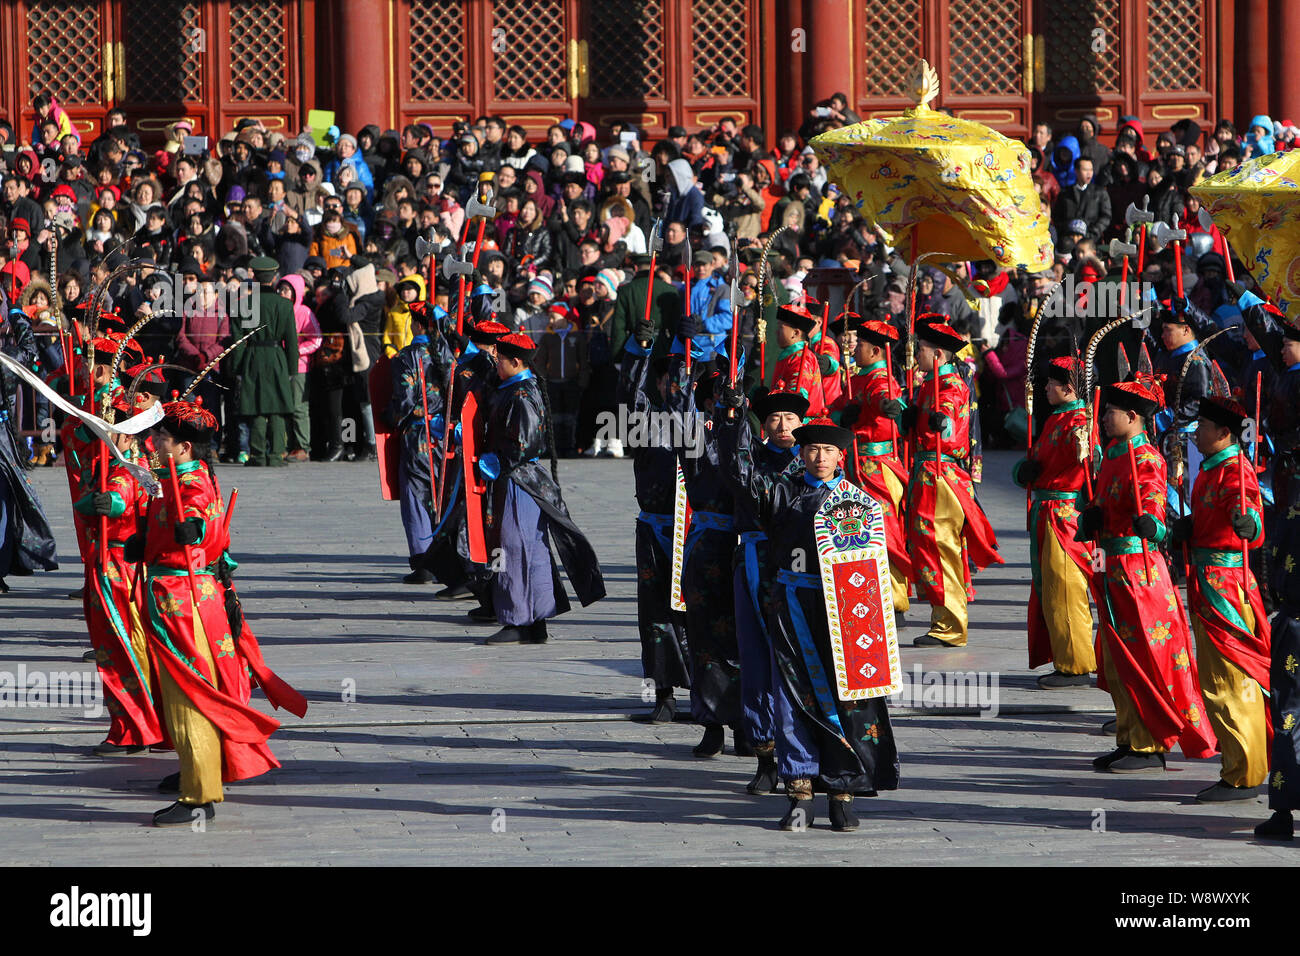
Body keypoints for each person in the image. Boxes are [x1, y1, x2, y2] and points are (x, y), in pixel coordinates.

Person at [719, 404, 900, 831]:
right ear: (801, 455)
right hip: (791, 610)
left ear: (842, 456)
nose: (820, 457)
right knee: (792, 702)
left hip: (845, 615)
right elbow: (740, 476)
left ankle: (842, 793)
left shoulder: (860, 503)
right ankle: (800, 793)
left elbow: (874, 566)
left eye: (828, 451)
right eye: (813, 449)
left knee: (846, 702)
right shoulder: (782, 492)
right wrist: (731, 426)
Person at [128, 400, 304, 826]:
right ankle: (199, 769)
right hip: (173, 593)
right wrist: (145, 541)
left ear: (184, 447)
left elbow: (199, 521)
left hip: (184, 601)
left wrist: (193, 532)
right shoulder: (177, 476)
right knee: (183, 691)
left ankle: (199, 794)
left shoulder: (192, 484)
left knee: (191, 693)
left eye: (162, 439)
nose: (154, 443)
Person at [1077, 379, 1216, 773]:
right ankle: (1129, 734)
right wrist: (1091, 519)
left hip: (1139, 573)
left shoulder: (1148, 460)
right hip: (1110, 566)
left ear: (1133, 417)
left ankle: (1150, 742)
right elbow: (1103, 505)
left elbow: (1159, 523)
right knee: (1117, 658)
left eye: (1110, 413)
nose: (1104, 419)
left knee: (1145, 659)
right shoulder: (1113, 456)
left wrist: (1149, 525)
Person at [1169, 395, 1269, 801]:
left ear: (1223, 432)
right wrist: (1191, 528)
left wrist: (1251, 524)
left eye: (1204, 428)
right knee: (1215, 677)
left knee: (1231, 677)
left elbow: (1250, 514)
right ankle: (1238, 763)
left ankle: (1245, 771)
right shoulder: (1210, 469)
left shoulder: (1234, 470)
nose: (1197, 435)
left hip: (1226, 585)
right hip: (1205, 580)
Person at [480, 333, 606, 644]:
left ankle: (518, 618)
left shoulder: (521, 394)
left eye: (501, 359)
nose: (496, 362)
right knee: (532, 547)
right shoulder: (516, 387)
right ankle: (536, 620)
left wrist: (489, 459)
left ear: (516, 361)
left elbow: (523, 444)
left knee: (513, 547)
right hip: (523, 478)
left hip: (517, 478)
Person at [901, 319, 1003, 647]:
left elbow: (948, 423)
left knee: (941, 545)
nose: (916, 354)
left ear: (939, 354)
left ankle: (951, 624)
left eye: (922, 349)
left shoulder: (951, 386)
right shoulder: (927, 383)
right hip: (926, 471)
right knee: (929, 546)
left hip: (941, 474)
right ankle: (942, 619)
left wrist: (938, 420)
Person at [730, 385, 808, 794]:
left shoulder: (816, 463)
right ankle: (765, 756)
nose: (783, 426)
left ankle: (802, 760)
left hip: (799, 573)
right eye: (774, 419)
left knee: (795, 663)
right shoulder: (750, 460)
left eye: (791, 419)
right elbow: (736, 467)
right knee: (756, 659)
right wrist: (735, 416)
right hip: (755, 564)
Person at [1012, 357, 1096, 686]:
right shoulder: (1054, 420)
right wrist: (1026, 469)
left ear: (1069, 387)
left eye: (1051, 383)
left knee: (1065, 589)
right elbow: (1040, 460)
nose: (1045, 388)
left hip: (1065, 516)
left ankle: (1075, 663)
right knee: (1051, 589)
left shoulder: (1081, 421)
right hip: (1047, 512)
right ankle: (1065, 657)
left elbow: (1085, 464)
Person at [839, 318, 911, 612]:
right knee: (861, 530)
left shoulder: (881, 378)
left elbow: (885, 397)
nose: (855, 348)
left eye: (862, 345)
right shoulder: (859, 376)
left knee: (884, 530)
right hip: (857, 463)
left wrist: (888, 407)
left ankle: (895, 600)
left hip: (877, 467)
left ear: (877, 352)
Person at [383, 304, 453, 583]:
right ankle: (447, 557)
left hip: (418, 434)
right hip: (446, 434)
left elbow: (405, 402)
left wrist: (388, 416)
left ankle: (424, 561)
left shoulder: (407, 357)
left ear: (419, 326)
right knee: (443, 493)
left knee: (416, 495)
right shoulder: (450, 356)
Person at [229, 257, 298, 466]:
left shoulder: (242, 306)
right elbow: (292, 341)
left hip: (253, 356)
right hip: (277, 357)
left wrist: (237, 367)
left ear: (254, 278)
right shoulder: (285, 305)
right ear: (275, 278)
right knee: (277, 407)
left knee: (256, 406)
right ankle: (276, 455)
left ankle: (258, 455)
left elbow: (238, 342)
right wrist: (292, 368)